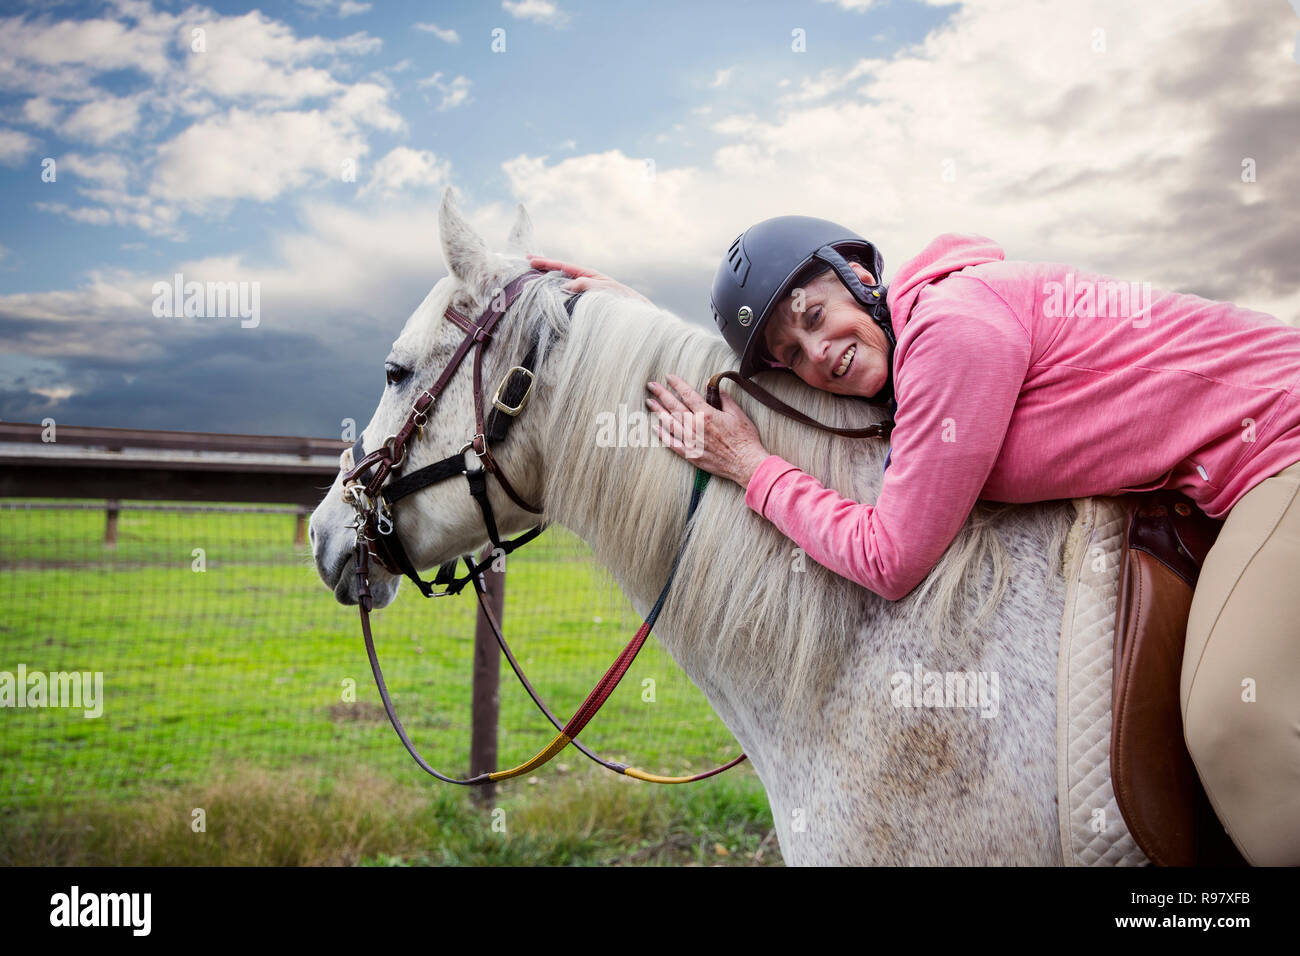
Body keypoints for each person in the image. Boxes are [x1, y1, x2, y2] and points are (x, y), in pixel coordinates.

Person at [527, 218, 1300, 866]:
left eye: (814, 314)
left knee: (1236, 726)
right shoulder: (915, 366)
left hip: (1283, 448)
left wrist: (748, 466)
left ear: (860, 276)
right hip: (1240, 474)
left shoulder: (949, 331)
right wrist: (629, 322)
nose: (814, 351)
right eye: (790, 353)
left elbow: (890, 558)